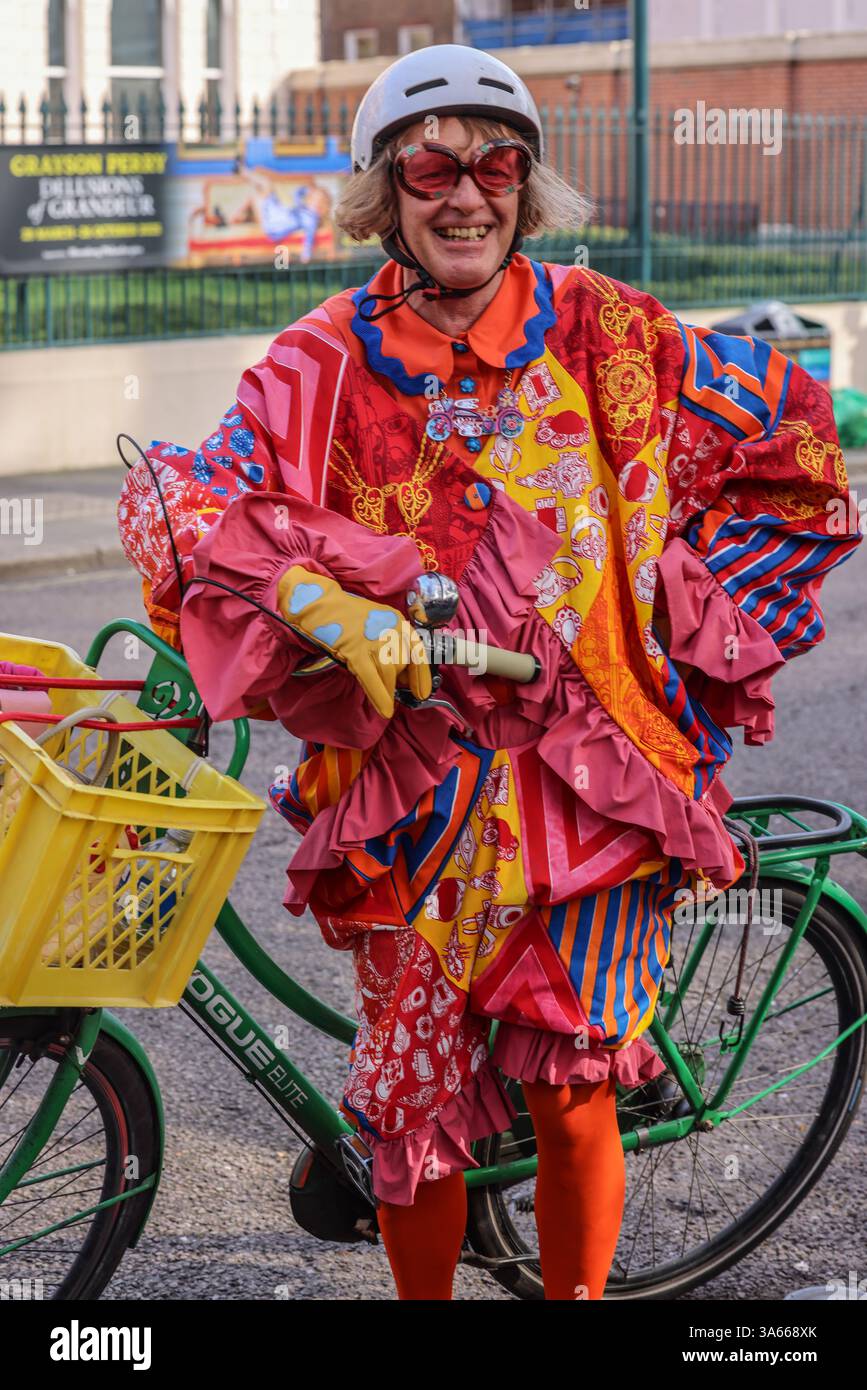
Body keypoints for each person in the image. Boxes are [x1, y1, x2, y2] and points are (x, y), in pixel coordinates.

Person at [117, 45, 860, 1300]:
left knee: (574, 1097)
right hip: (415, 800)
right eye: (432, 169)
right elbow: (177, 502)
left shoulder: (610, 328)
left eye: (496, 166)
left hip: (598, 792)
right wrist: (311, 598)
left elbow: (790, 436)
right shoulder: (320, 364)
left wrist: (680, 621)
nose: (466, 196)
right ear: (386, 195)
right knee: (414, 1118)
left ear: (527, 185)